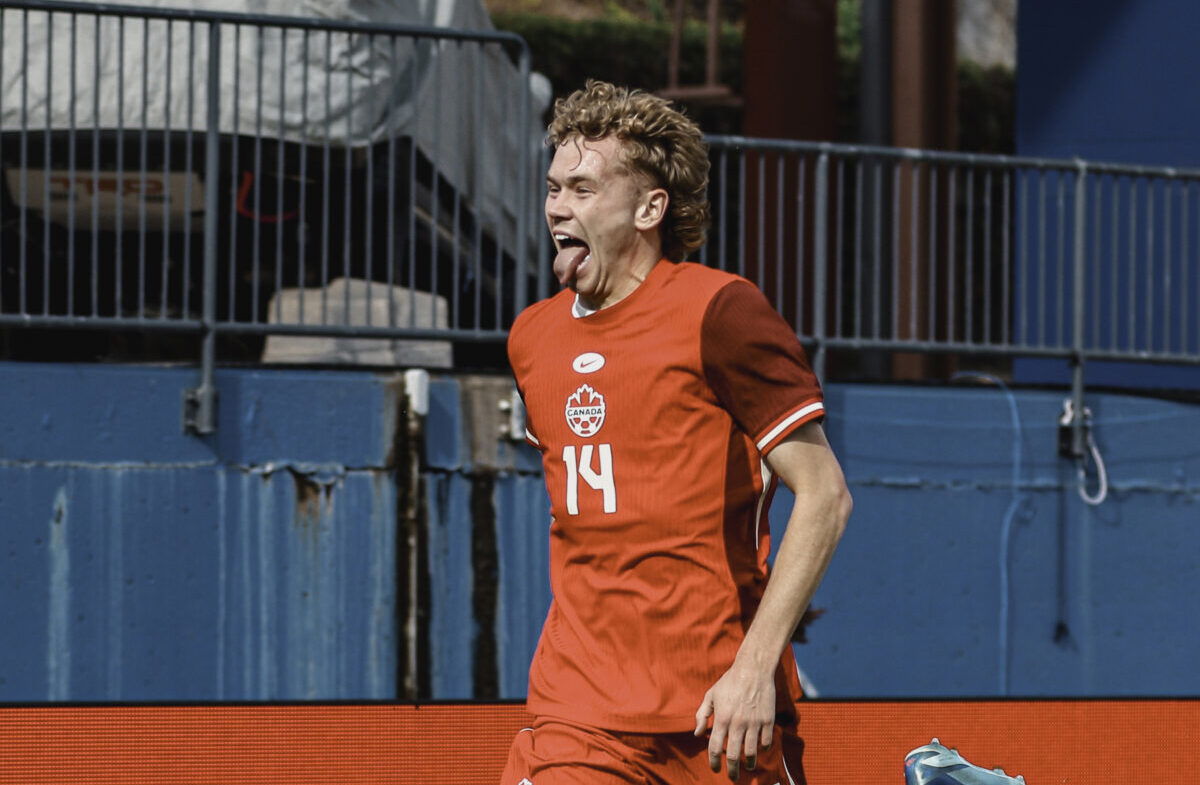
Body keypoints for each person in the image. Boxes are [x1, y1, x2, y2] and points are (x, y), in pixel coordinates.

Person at [502, 80, 852, 784]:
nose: (558, 208)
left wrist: (754, 666)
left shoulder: (720, 312)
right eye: (553, 188)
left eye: (582, 188)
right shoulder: (531, 339)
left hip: (718, 711)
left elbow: (825, 494)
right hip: (579, 711)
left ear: (649, 208)